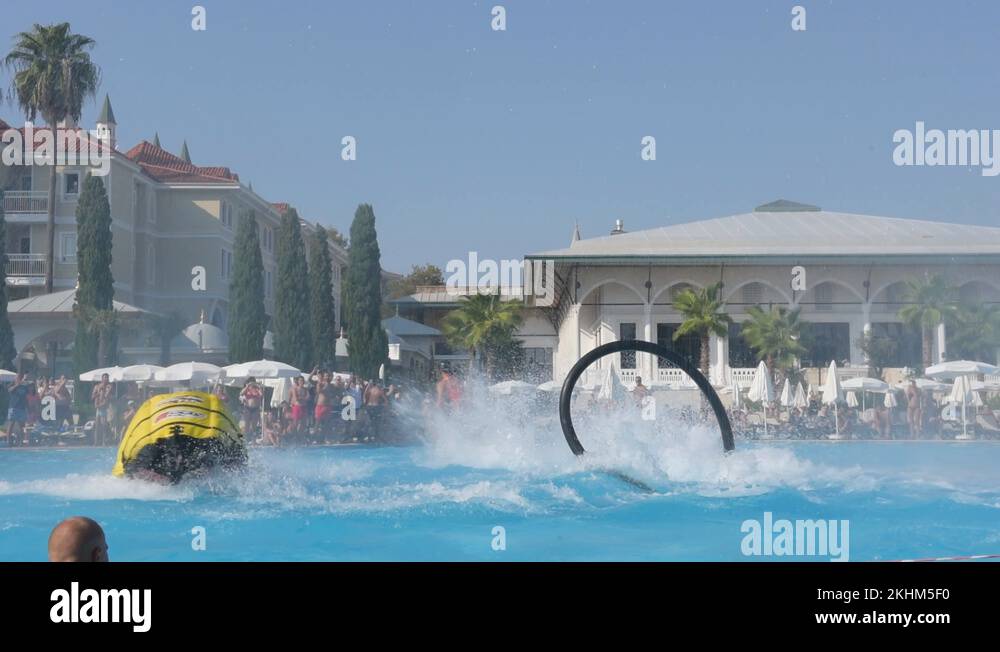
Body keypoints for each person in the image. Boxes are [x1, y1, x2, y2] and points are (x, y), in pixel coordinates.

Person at [6, 373, 31, 446]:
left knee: (21, 426)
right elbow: (9, 390)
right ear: (15, 379)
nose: (18, 379)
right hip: (13, 407)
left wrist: (28, 408)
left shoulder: (24, 387)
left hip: (22, 408)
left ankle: (21, 442)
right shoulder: (12, 385)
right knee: (11, 424)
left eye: (19, 378)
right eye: (17, 378)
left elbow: (26, 398)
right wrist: (17, 385)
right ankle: (9, 441)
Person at [91, 373, 114, 446]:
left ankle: (104, 441)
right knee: (97, 426)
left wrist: (104, 391)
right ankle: (96, 442)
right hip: (98, 408)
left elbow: (107, 396)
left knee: (104, 425)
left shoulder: (109, 386)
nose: (106, 380)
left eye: (107, 378)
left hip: (105, 408)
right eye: (104, 378)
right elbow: (92, 397)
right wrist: (98, 392)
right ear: (102, 379)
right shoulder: (97, 386)